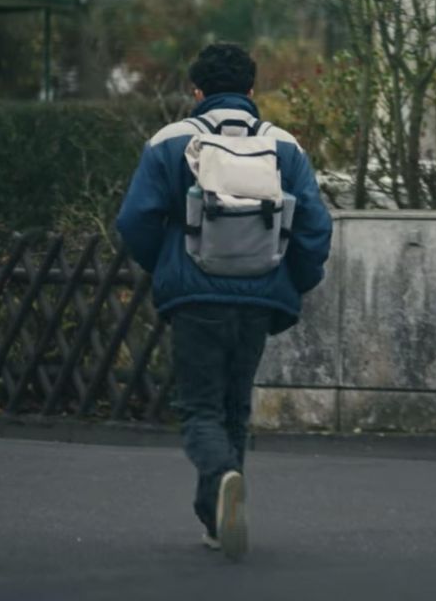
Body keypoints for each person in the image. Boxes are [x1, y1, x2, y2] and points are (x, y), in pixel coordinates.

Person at [116, 43, 333, 561]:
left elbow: (135, 221)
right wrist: (291, 282)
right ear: (252, 91)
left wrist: (170, 267)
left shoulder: (171, 142)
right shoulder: (285, 147)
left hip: (196, 297)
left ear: (197, 92)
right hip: (260, 296)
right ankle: (217, 515)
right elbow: (315, 229)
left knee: (198, 408)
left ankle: (220, 479)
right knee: (234, 406)